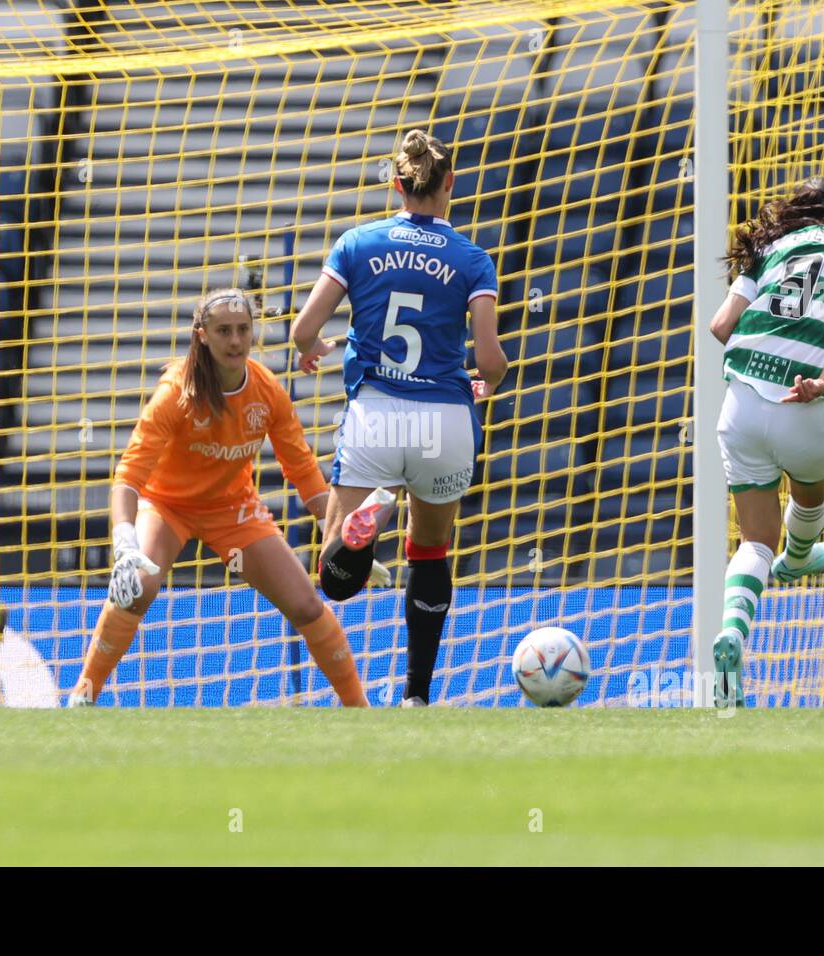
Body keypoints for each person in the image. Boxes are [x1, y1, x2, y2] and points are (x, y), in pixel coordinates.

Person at [290, 128, 508, 708]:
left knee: (336, 575)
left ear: (396, 185)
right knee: (431, 551)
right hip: (445, 420)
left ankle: (367, 528)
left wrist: (312, 351)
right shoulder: (472, 259)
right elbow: (488, 359)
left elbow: (302, 332)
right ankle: (416, 695)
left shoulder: (357, 243)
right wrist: (491, 377)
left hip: (376, 416)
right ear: (450, 186)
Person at [68, 288, 369, 708]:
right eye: (224, 331)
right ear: (202, 335)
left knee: (305, 605)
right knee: (138, 587)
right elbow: (129, 476)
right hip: (167, 505)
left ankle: (361, 711)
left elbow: (301, 469)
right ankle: (84, 691)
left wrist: (336, 535)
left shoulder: (267, 392)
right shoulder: (175, 394)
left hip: (233, 509)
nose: (234, 340)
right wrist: (124, 539)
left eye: (243, 330)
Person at [709, 175, 824, 707]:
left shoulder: (769, 247)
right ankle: (802, 554)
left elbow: (722, 326)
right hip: (805, 403)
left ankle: (732, 635)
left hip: (741, 403)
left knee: (753, 540)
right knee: (811, 493)